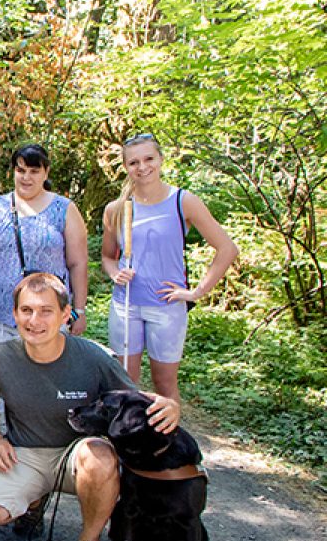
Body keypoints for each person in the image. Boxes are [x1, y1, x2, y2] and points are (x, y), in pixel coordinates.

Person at [0, 273, 182, 541]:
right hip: (25, 453)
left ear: (66, 315)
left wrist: (170, 405)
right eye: (26, 310)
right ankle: (34, 501)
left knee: (99, 456)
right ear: (14, 315)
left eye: (45, 311)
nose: (34, 320)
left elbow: (133, 402)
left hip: (78, 457)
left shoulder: (92, 357)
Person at [101, 134, 238, 400]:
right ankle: (127, 439)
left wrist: (196, 291)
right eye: (134, 162)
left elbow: (227, 249)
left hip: (166, 305)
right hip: (126, 305)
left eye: (149, 159)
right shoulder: (117, 209)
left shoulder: (182, 201)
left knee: (163, 383)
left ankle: (170, 441)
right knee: (124, 383)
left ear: (161, 159)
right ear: (126, 167)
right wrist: (115, 272)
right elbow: (107, 256)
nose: (142, 167)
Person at [0, 144, 89, 352]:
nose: (26, 177)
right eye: (20, 170)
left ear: (45, 172)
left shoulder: (64, 209)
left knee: (44, 377)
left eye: (34, 171)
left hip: (47, 315)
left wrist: (79, 311)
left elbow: (78, 263)